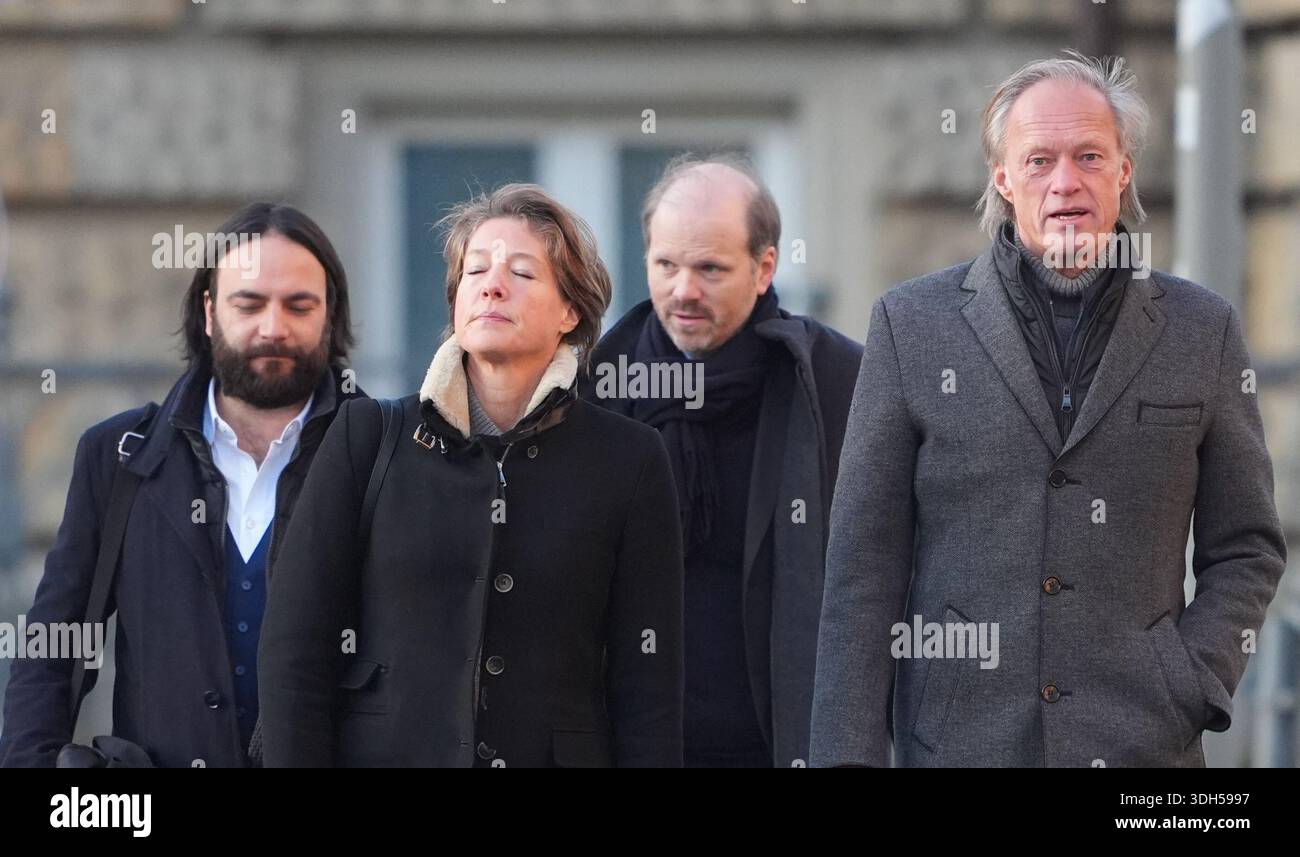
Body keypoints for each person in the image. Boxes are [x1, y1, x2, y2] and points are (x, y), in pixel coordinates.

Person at [810, 52, 1287, 767]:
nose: (1066, 182)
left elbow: (1247, 546)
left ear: (1123, 171)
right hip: (959, 745)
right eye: (1039, 160)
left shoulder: (1202, 330)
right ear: (1003, 177)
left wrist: (1190, 681)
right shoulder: (911, 326)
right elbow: (862, 567)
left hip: (1145, 750)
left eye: (1089, 155)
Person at [259, 183, 684, 767]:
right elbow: (293, 651)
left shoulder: (630, 459)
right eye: (475, 269)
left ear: (570, 311)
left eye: (523, 272)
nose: (492, 283)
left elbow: (649, 686)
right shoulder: (367, 436)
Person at [0, 203, 362, 767]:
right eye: (250, 303)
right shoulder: (119, 458)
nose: (273, 327)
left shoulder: (386, 455)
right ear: (211, 312)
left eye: (298, 305)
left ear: (329, 315)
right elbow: (53, 645)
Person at [581, 155, 861, 767]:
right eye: (666, 265)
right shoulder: (592, 389)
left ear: (765, 269)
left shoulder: (838, 382)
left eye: (710, 268)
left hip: (779, 747)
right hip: (625, 748)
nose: (684, 291)